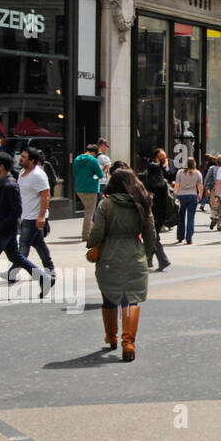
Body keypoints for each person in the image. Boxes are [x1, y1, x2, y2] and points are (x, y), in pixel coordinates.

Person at [88, 168, 158, 361]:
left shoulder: (106, 204)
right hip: (135, 254)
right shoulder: (141, 203)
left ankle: (111, 336)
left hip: (109, 255)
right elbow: (150, 232)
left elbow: (98, 231)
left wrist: (91, 245)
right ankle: (128, 343)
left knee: (109, 296)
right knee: (130, 298)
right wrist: (147, 253)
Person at [0, 152, 49, 301]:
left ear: (1, 167)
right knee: (15, 256)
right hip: (4, 229)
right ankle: (43, 278)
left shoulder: (9, 185)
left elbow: (15, 211)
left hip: (4, 230)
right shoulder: (3, 182)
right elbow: (4, 207)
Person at [14, 147, 55, 281]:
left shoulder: (38, 175)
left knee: (23, 245)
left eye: (24, 157)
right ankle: (50, 269)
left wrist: (41, 216)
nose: (20, 159)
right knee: (38, 244)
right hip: (24, 215)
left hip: (34, 216)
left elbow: (45, 196)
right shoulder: (22, 172)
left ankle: (12, 273)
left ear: (31, 161)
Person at [141, 163, 174, 272]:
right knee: (152, 236)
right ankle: (148, 260)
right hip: (161, 213)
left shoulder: (147, 183)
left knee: (152, 237)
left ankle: (163, 259)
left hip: (150, 213)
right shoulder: (163, 183)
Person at [73, 143, 105, 244]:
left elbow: (75, 173)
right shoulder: (93, 160)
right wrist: (100, 168)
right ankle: (86, 235)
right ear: (94, 153)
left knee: (87, 210)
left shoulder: (77, 159)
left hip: (79, 188)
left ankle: (89, 231)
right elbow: (100, 174)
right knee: (89, 212)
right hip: (91, 189)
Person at [173, 157, 203, 245]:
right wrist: (200, 194)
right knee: (191, 217)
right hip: (192, 196)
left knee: (181, 217)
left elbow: (177, 185)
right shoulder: (197, 173)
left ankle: (180, 237)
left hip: (181, 196)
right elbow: (200, 186)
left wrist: (175, 195)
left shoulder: (180, 172)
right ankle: (189, 238)